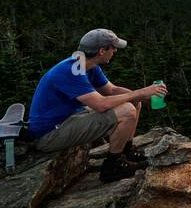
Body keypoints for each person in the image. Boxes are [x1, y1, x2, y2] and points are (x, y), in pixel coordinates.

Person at [28, 28, 168, 183]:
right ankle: (113, 166)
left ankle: (127, 152)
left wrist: (141, 96)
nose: (115, 51)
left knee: (134, 102)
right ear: (102, 51)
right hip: (50, 135)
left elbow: (111, 90)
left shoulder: (88, 65)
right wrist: (141, 92)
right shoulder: (71, 71)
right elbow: (101, 104)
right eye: (113, 48)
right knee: (126, 111)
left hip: (68, 118)